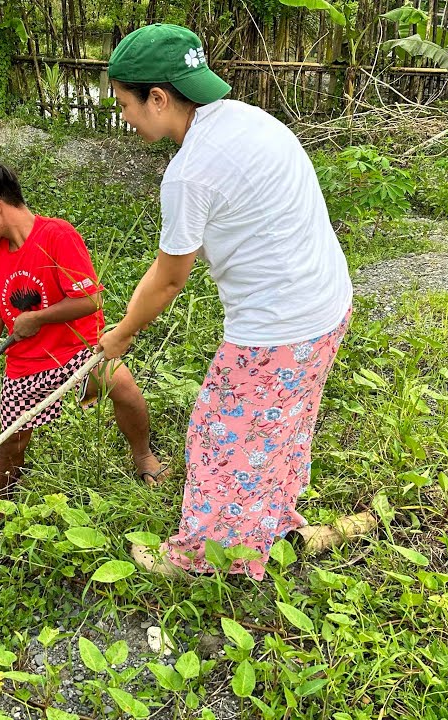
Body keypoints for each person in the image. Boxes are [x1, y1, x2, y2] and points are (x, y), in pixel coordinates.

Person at [97, 24, 354, 580]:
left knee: (220, 437)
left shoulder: (190, 174)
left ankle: (202, 559)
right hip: (327, 305)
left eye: (124, 104)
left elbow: (168, 279)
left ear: (158, 98)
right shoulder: (250, 119)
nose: (125, 117)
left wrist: (121, 332)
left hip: (278, 328)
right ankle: (269, 525)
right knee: (279, 427)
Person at [0, 161, 168, 525]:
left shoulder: (57, 236)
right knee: (12, 441)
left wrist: (37, 318)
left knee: (123, 385)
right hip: (25, 365)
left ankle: (144, 456)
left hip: (76, 352)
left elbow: (90, 300)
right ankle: (1, 504)